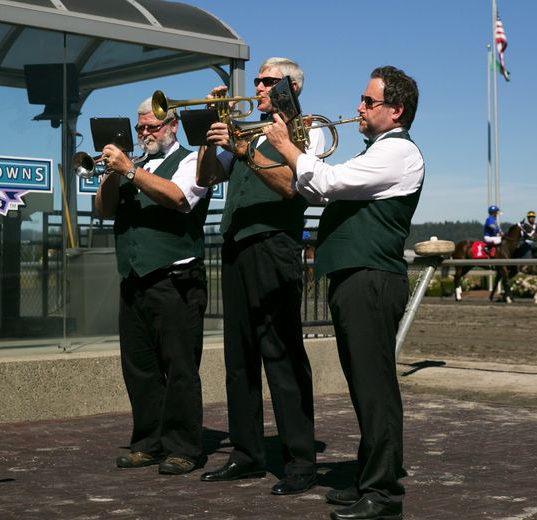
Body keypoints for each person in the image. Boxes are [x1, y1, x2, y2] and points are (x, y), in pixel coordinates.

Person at [263, 65, 423, 520]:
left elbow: (328, 182)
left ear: (396, 110)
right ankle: (369, 478)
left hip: (372, 278)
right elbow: (317, 191)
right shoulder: (374, 152)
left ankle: (384, 493)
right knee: (363, 387)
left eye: (369, 102)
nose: (359, 107)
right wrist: (293, 150)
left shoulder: (398, 152)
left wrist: (287, 146)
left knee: (375, 389)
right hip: (356, 278)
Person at [196, 57, 324, 496]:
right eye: (257, 80)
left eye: (268, 81)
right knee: (239, 357)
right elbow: (207, 177)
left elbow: (291, 184)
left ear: (291, 86)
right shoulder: (248, 130)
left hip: (274, 246)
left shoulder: (308, 129)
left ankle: (300, 460)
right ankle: (247, 453)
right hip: (237, 246)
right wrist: (211, 132)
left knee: (282, 354)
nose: (258, 87)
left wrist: (242, 149)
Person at [95, 97, 210, 475]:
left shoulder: (192, 160)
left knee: (179, 367)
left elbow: (179, 197)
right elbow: (104, 209)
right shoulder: (135, 165)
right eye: (141, 127)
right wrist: (113, 172)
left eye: (153, 127)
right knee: (139, 368)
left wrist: (129, 169)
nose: (146, 133)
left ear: (173, 126)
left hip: (175, 279)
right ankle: (148, 442)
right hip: (134, 279)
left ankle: (183, 447)